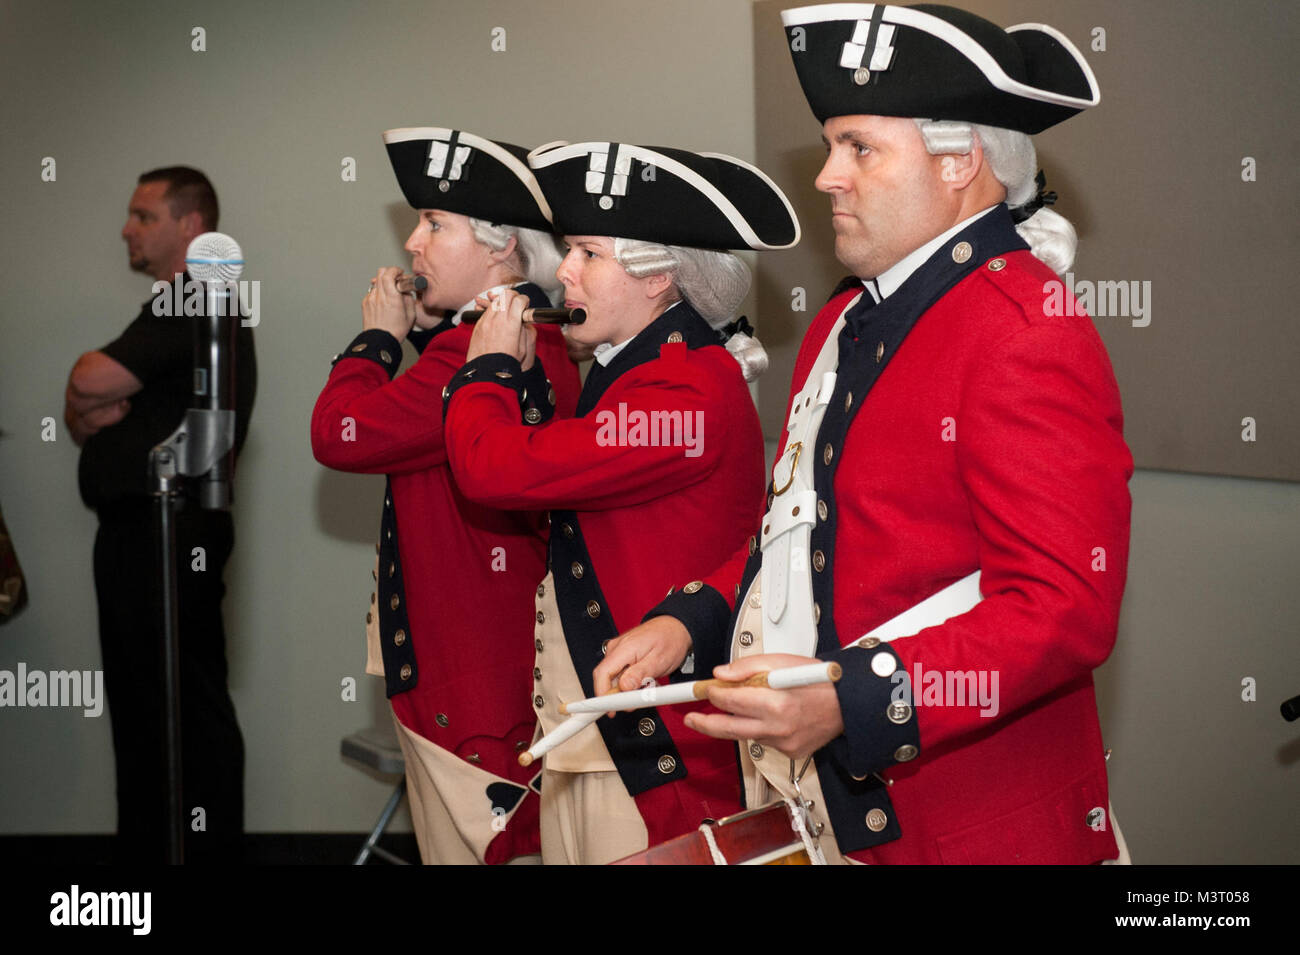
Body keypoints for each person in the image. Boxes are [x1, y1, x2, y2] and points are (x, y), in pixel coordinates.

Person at [599, 3, 1134, 864]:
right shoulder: (845, 319)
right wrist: (694, 617)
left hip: (970, 829)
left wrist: (849, 700)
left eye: (860, 148)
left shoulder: (1026, 328)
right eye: (830, 147)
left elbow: (1063, 608)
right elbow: (809, 530)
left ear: (960, 161)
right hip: (836, 815)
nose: (827, 177)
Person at [441, 140, 799, 864]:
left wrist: (483, 368)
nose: (563, 269)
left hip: (645, 748)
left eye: (588, 252)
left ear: (658, 276)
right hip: (597, 739)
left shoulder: (682, 387)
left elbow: (494, 469)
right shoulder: (632, 371)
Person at [311, 127, 581, 864]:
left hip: (469, 686)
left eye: (435, 223)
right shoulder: (505, 337)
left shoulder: (473, 353)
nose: (412, 243)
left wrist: (376, 341)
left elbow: (339, 433)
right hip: (478, 673)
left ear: (501, 247)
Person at [66, 166, 256, 863]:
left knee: (180, 704)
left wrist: (85, 397)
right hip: (142, 536)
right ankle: (154, 856)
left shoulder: (197, 295)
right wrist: (84, 404)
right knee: (149, 704)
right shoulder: (172, 304)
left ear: (191, 228)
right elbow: (84, 404)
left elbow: (89, 380)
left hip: (169, 537)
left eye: (143, 215)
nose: (127, 228)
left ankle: (192, 857)